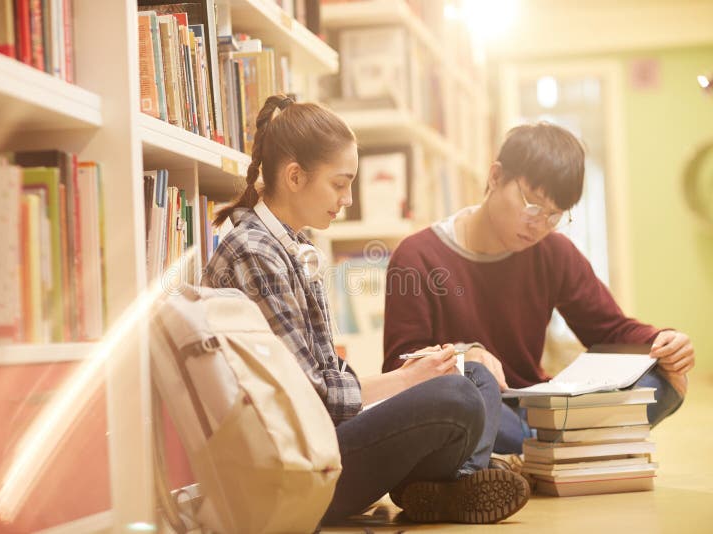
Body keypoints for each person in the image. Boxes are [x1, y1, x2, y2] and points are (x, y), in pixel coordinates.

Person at [202, 94, 530, 524]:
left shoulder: (293, 246)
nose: (349, 199)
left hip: (323, 440)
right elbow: (313, 396)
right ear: (295, 177)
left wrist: (414, 376)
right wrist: (405, 380)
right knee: (458, 394)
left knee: (474, 375)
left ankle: (452, 486)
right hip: (299, 468)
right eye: (339, 184)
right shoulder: (255, 253)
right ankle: (464, 479)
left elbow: (326, 377)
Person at [383, 122, 693, 454]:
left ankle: (523, 454)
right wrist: (462, 356)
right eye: (532, 206)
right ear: (495, 176)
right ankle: (561, 450)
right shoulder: (418, 256)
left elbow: (608, 328)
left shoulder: (554, 253)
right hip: (477, 409)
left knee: (662, 379)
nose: (539, 226)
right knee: (463, 406)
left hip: (536, 408)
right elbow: (399, 370)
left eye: (554, 216)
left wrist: (662, 343)